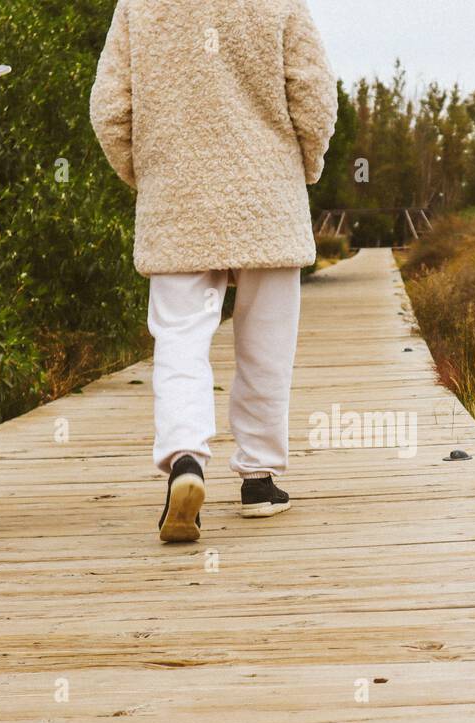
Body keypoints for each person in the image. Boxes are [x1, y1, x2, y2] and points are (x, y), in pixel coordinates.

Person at [90, 0, 337, 543]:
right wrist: (306, 167)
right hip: (266, 194)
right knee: (266, 344)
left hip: (177, 196)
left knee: (179, 339)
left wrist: (145, 173)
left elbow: (109, 104)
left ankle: (185, 462)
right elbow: (314, 91)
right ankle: (259, 479)